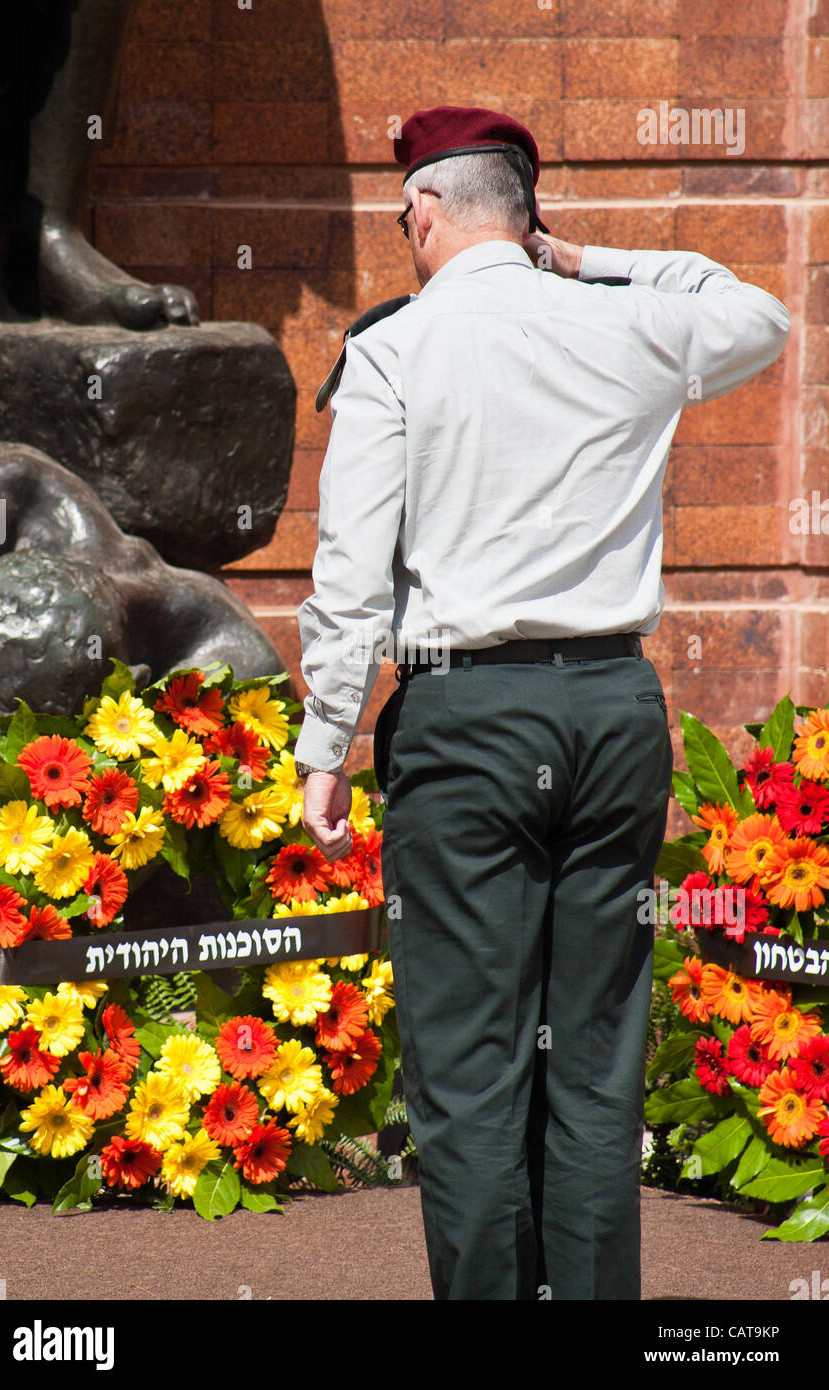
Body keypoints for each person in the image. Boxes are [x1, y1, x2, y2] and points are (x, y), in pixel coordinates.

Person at [294, 104, 791, 1300]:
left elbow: (351, 573)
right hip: (612, 704)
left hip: (467, 717)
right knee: (594, 1060)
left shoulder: (395, 348)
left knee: (468, 1071)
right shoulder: (621, 320)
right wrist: (579, 259)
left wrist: (323, 744)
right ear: (521, 212)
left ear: (419, 209)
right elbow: (756, 314)